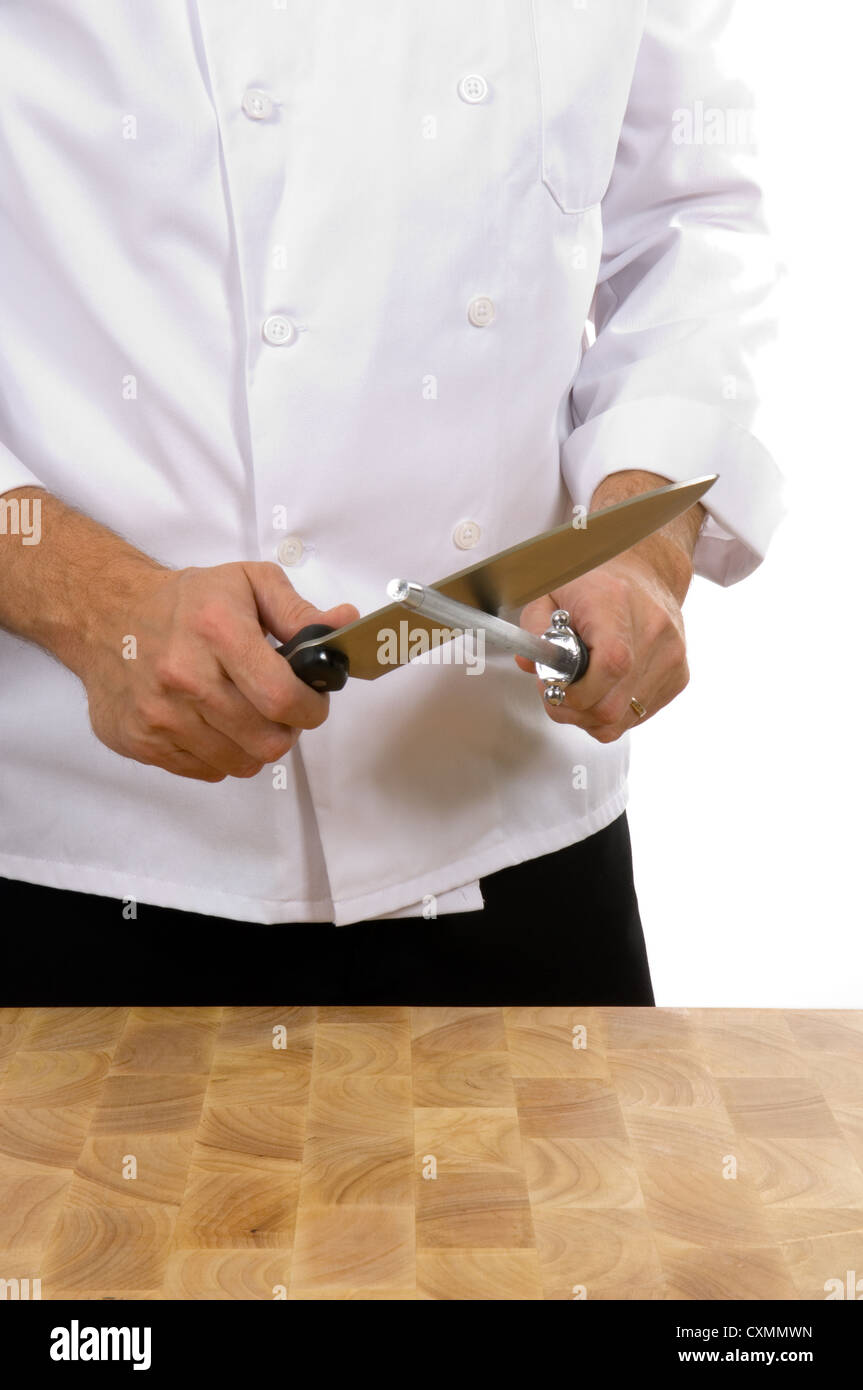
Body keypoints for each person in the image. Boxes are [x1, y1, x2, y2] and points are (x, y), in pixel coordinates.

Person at [0, 1, 783, 1005]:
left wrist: (642, 536)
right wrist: (89, 599)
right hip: (77, 850)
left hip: (510, 820)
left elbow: (691, 224)